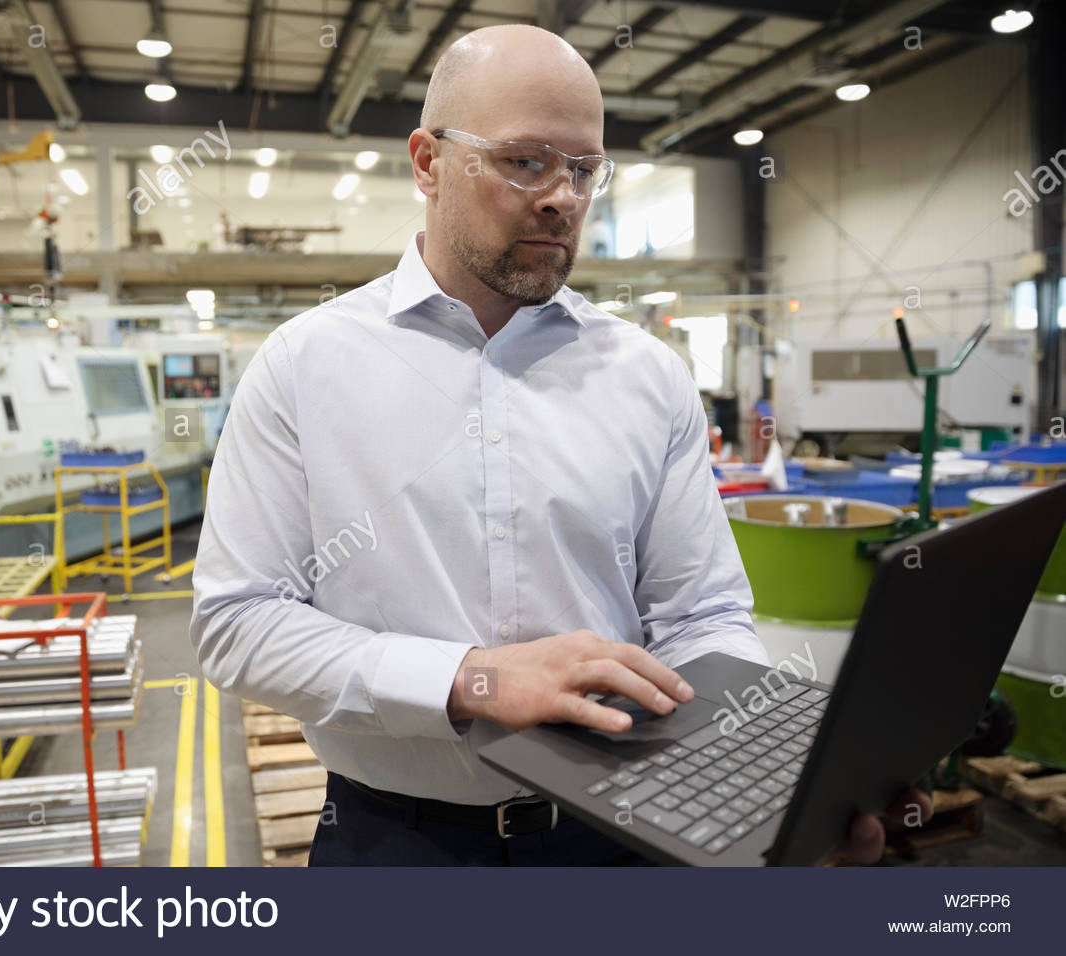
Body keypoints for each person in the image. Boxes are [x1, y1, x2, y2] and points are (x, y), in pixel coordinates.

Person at [191, 24, 929, 865]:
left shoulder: (646, 375)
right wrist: (473, 679)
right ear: (428, 163)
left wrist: (754, 764)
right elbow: (237, 621)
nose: (562, 198)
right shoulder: (305, 365)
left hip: (625, 833)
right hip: (396, 842)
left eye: (584, 170)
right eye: (526, 161)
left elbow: (701, 613)